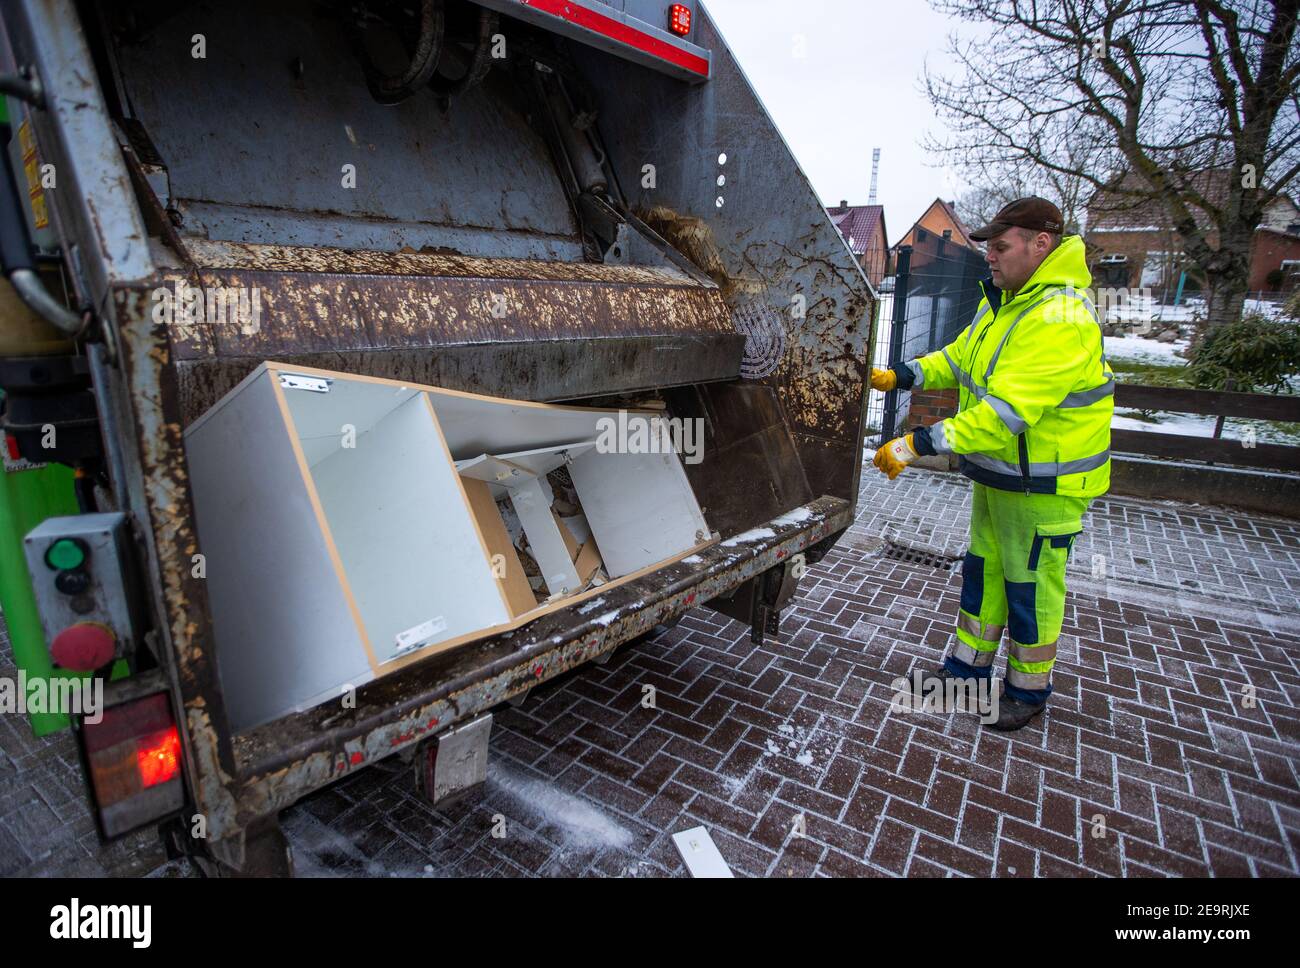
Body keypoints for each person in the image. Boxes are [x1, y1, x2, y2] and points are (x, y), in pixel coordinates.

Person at [870, 197, 1113, 730]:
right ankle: (964, 678)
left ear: (1040, 244)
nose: (990, 258)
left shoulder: (1059, 319)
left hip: (1045, 486)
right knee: (985, 575)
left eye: (1001, 247)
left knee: (1030, 589)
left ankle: (1027, 693)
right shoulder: (1006, 303)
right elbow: (960, 359)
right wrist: (901, 376)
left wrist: (915, 445)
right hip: (1003, 476)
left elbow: (1003, 417)